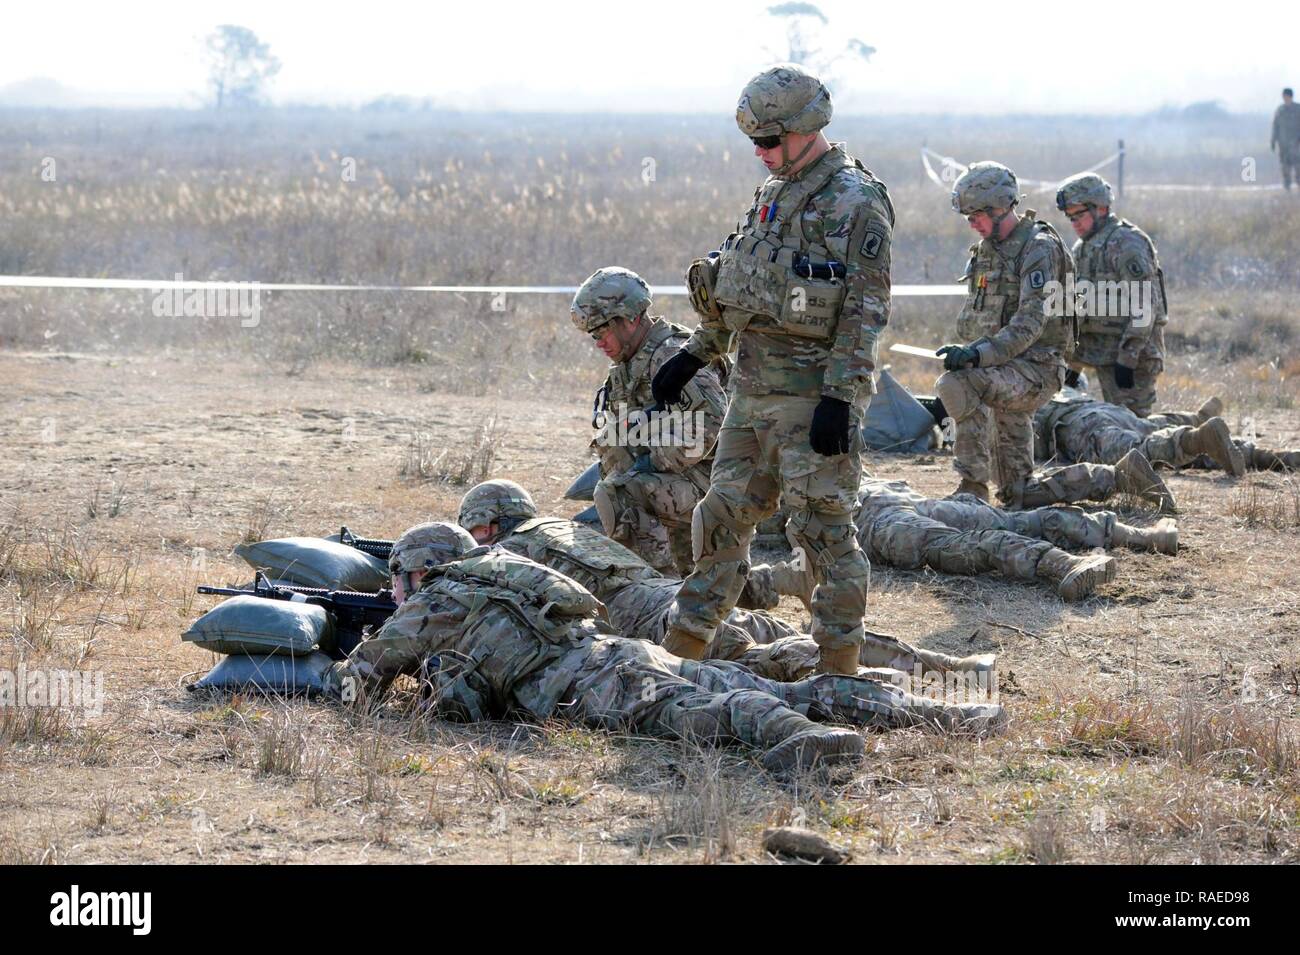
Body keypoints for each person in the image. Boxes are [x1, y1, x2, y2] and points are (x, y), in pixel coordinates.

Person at [324, 522, 1006, 776]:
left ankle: (806, 739)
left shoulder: (434, 603)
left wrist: (346, 665)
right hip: (617, 650)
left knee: (717, 710)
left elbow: (359, 683)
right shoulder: (497, 577)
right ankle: (949, 712)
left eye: (399, 581)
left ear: (419, 571)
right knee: (773, 680)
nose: (396, 591)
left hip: (590, 687)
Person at [650, 63, 894, 673]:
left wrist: (841, 399)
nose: (760, 153)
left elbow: (864, 313)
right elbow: (746, 284)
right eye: (753, 142)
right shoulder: (774, 190)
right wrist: (697, 351)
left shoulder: (856, 201)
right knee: (720, 518)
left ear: (807, 128)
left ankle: (840, 666)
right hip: (753, 393)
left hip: (812, 397)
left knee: (823, 531)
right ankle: (683, 656)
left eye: (768, 141)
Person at [455, 479, 994, 682]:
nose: (475, 539)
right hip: (677, 595)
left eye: (476, 529)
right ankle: (944, 669)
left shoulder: (507, 549)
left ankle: (888, 689)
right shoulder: (559, 530)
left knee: (767, 659)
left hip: (648, 617)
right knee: (793, 637)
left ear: (495, 520)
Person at [747, 476, 1177, 605]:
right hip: (889, 503)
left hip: (881, 511)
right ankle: (1121, 543)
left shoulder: (757, 467)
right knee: (1011, 524)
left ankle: (1113, 544)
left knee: (972, 542)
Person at [570, 267, 726, 576]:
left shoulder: (671, 355)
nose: (598, 341)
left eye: (602, 330)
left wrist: (648, 462)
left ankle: (651, 589)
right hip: (682, 481)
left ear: (628, 318)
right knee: (708, 584)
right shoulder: (628, 366)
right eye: (593, 334)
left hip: (714, 483)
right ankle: (774, 583)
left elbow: (710, 424)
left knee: (620, 494)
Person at [936, 161, 1073, 506]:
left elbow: (1030, 322)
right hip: (1003, 368)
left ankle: (972, 488)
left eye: (978, 215)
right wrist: (969, 352)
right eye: (968, 218)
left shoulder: (1039, 247)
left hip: (1036, 368)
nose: (973, 224)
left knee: (959, 383)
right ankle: (1112, 478)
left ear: (1001, 207)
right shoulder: (988, 249)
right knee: (1019, 494)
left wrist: (978, 355)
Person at [1055, 173, 1167, 417]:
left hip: (1134, 355)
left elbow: (1145, 306)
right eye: (1070, 217)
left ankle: (1191, 437)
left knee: (1133, 427)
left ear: (1102, 208)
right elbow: (1080, 305)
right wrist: (1072, 363)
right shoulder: (1083, 248)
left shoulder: (1127, 244)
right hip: (1099, 350)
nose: (1075, 223)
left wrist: (1128, 358)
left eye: (1080, 215)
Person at [1034, 392, 1249, 476]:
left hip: (1077, 425)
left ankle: (1197, 440)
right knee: (1148, 426)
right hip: (1107, 409)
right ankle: (1267, 456)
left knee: (1137, 451)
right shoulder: (1054, 380)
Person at [1271, 88, 1300, 191]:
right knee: (1285, 168)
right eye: (1283, 96)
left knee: (1298, 167)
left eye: (1286, 96)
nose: (1285, 98)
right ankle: (1287, 188)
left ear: (1290, 96)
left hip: (1296, 145)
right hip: (1283, 146)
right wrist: (1273, 141)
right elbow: (1275, 126)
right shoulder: (1280, 110)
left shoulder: (1298, 109)